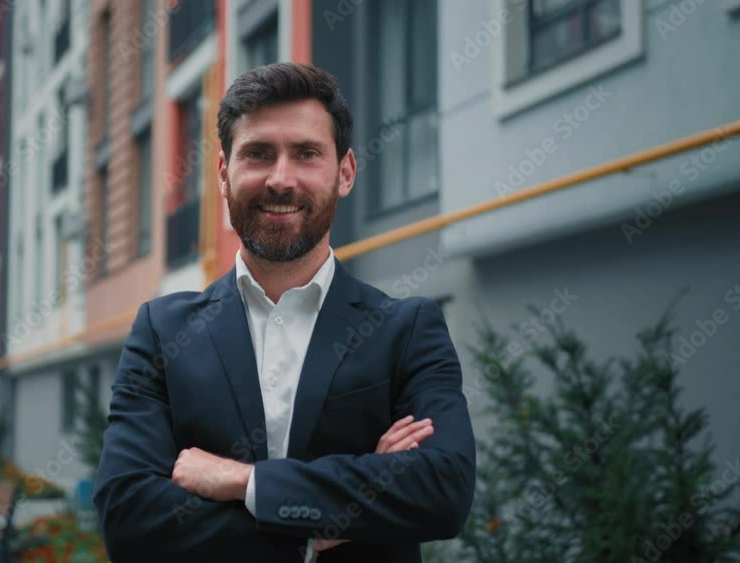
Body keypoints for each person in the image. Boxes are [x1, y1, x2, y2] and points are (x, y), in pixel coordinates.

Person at [93, 63, 475, 563]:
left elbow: (441, 491)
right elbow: (127, 518)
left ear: (345, 172)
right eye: (258, 154)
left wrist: (241, 481)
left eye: (306, 154)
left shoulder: (407, 329)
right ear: (226, 176)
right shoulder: (162, 332)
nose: (280, 179)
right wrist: (324, 525)